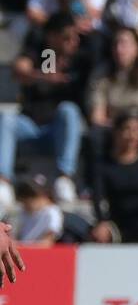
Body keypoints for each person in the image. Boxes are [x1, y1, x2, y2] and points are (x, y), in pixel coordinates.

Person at [0, 13, 90, 210]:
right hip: (30, 127)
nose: (73, 42)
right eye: (67, 37)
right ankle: (3, 182)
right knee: (5, 117)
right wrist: (43, 77)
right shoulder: (41, 52)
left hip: (58, 130)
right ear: (52, 36)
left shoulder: (81, 59)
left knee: (69, 110)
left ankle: (64, 178)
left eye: (75, 37)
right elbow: (19, 69)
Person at [85, 27, 138, 167]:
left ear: (137, 48)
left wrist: (133, 130)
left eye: (125, 43)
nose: (119, 48)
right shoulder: (101, 74)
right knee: (94, 138)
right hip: (112, 128)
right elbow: (97, 117)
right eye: (116, 44)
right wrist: (121, 131)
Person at [88, 114, 138, 244]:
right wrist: (102, 222)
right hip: (114, 223)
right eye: (127, 129)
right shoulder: (103, 165)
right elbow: (98, 198)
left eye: (137, 131)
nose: (132, 136)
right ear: (116, 133)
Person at [10, 177, 63, 246]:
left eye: (26, 202)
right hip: (22, 250)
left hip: (38, 253)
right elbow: (16, 235)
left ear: (39, 196)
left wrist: (21, 246)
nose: (24, 206)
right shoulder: (24, 212)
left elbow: (48, 242)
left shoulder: (52, 212)